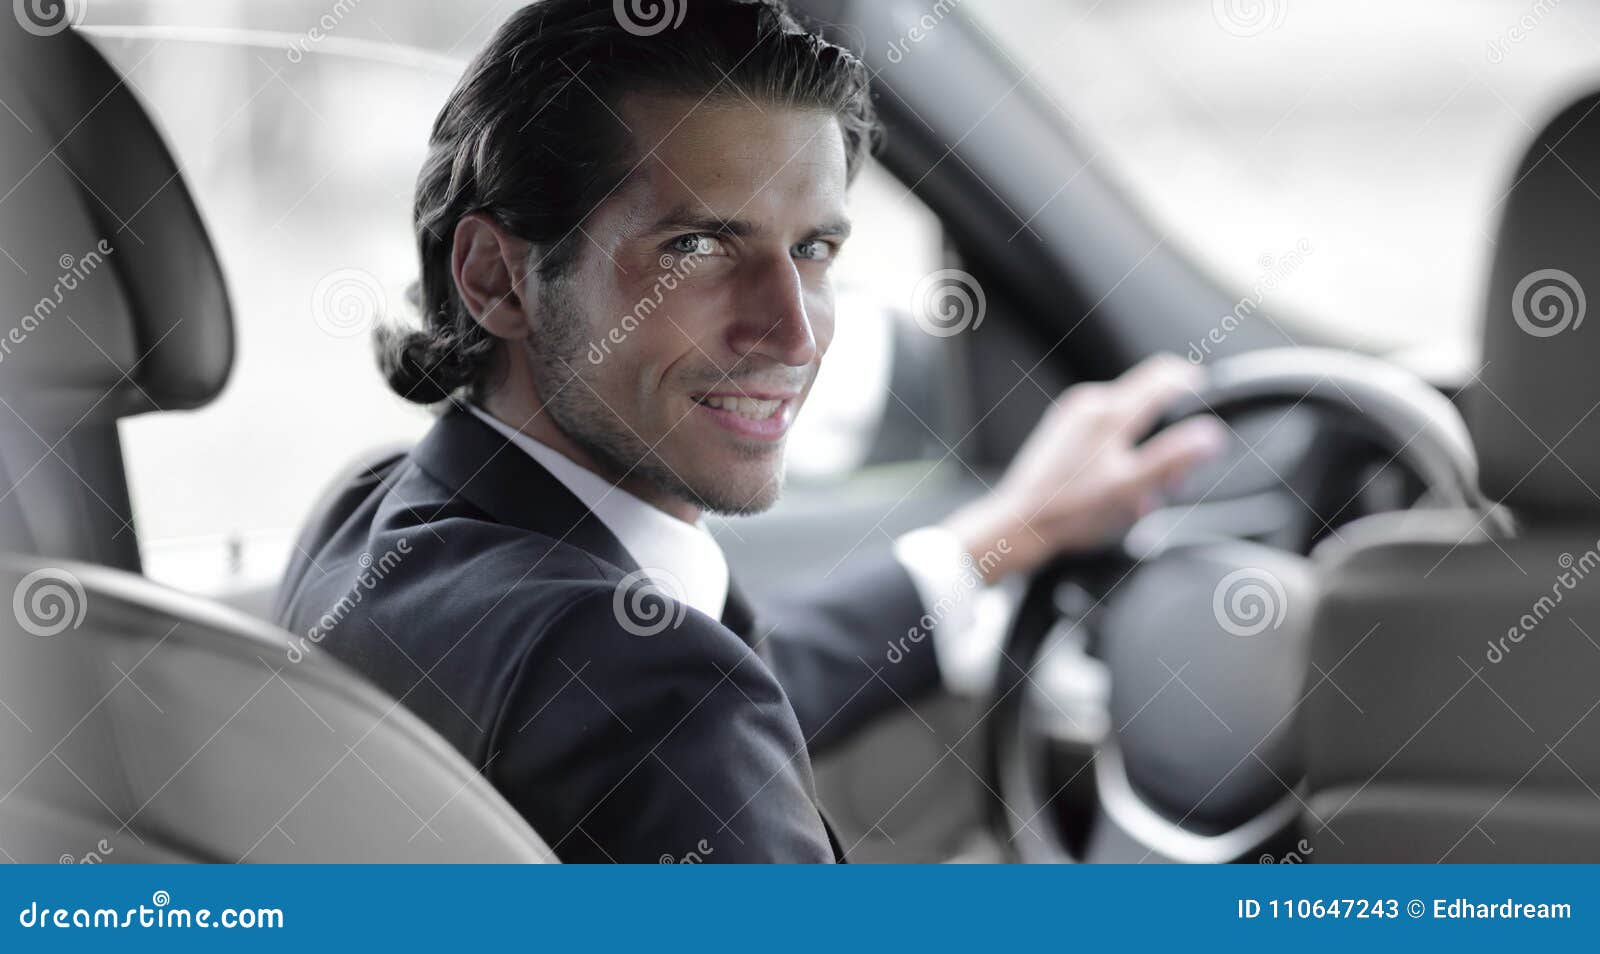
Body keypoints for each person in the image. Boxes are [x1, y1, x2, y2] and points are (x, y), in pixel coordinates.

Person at [274, 0, 1225, 862]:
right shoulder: (657, 695)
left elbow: (723, 680)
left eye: (814, 250)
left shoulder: (375, 516)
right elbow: (677, 698)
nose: (795, 332)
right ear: (496, 278)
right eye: (697, 248)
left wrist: (1009, 535)